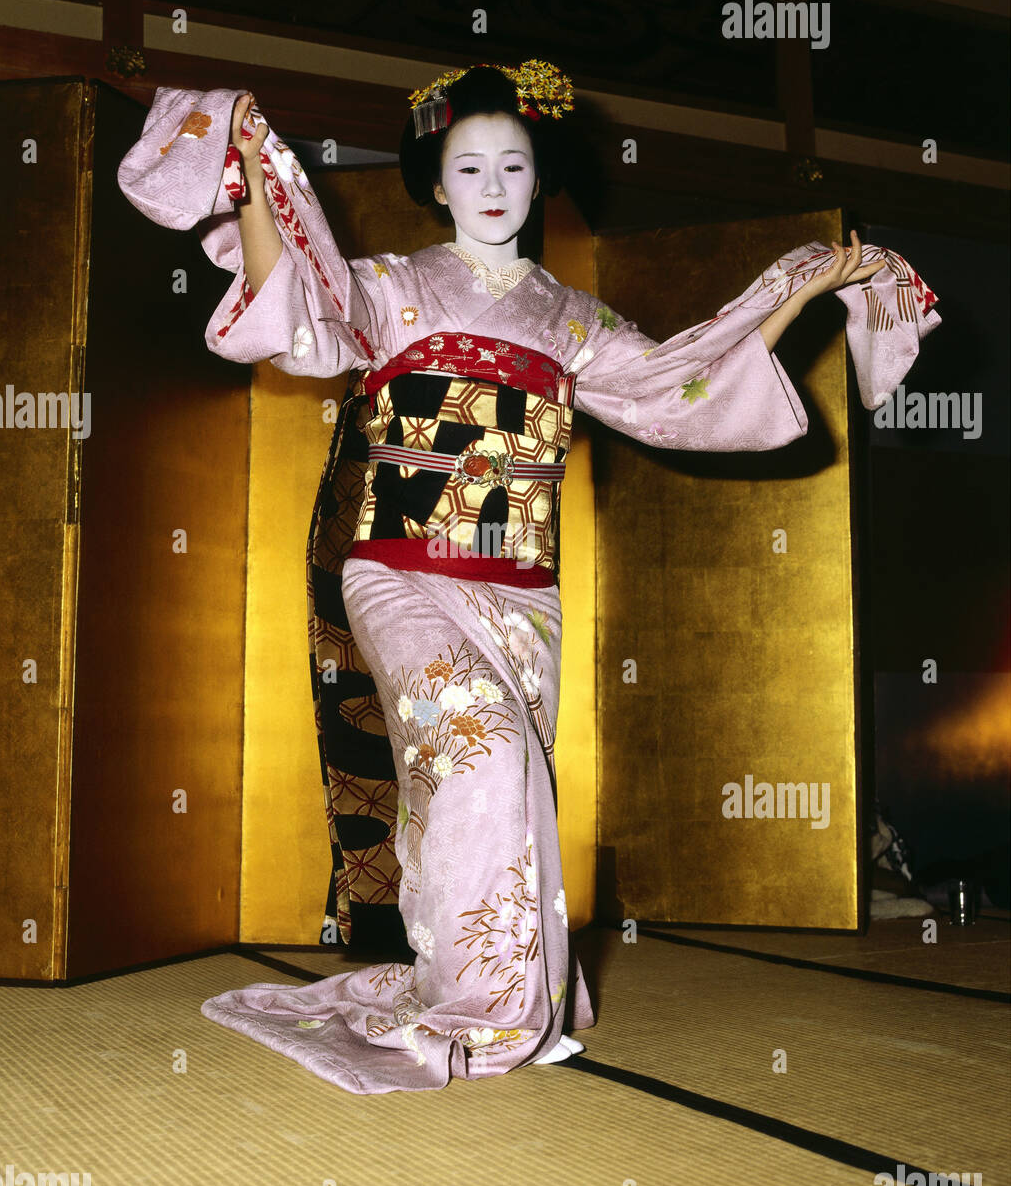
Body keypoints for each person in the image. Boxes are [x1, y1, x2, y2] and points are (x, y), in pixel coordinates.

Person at [118, 60, 939, 1095]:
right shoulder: (395, 286)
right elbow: (298, 308)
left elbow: (684, 382)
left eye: (514, 161)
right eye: (469, 165)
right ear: (437, 182)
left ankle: (482, 979)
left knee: (500, 787)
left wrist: (800, 288)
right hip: (401, 570)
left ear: (539, 174)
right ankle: (486, 1012)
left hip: (521, 593)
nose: (493, 182)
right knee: (484, 750)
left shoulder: (572, 319)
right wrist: (246, 158)